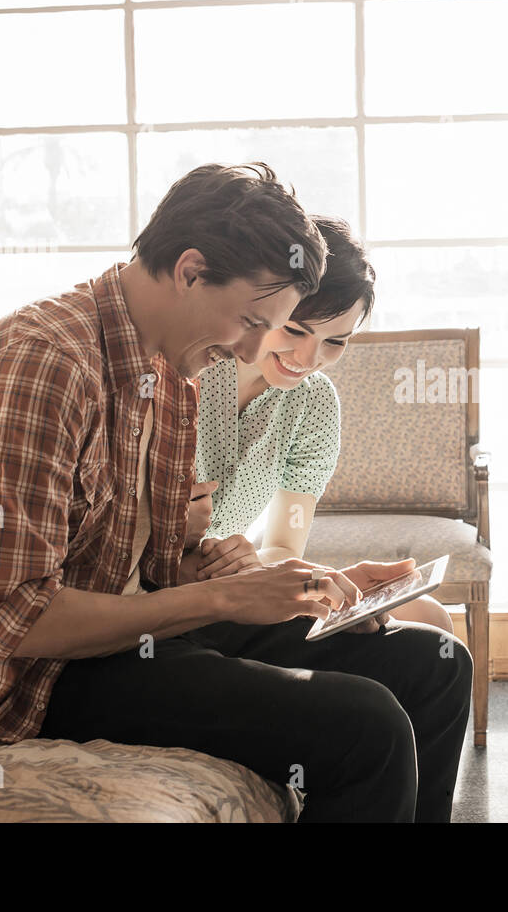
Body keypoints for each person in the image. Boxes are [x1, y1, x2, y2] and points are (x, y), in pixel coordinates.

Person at [0, 163, 472, 823]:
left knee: (433, 666)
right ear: (190, 271)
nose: (254, 349)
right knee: (367, 725)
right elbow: (18, 619)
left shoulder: (170, 363)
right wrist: (223, 596)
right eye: (253, 321)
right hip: (27, 675)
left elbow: (149, 570)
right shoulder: (43, 362)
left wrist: (313, 586)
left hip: (123, 627)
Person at [187, 216, 455, 635]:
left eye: (335, 341)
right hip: (177, 590)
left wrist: (259, 566)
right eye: (295, 330)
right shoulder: (192, 368)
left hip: (244, 580)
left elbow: (283, 545)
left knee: (429, 615)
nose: (309, 359)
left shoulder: (314, 401)